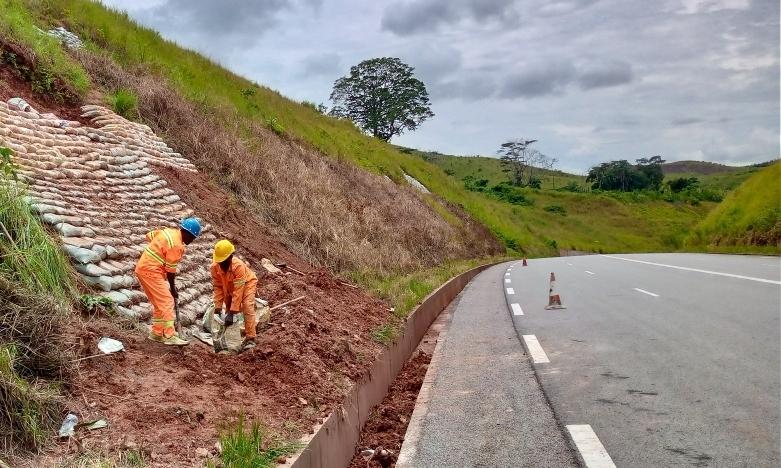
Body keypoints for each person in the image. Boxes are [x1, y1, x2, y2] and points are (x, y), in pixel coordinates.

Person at [135, 217, 202, 345]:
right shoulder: (177, 246)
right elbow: (171, 272)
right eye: (192, 237)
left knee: (159, 303)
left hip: (143, 268)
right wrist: (173, 289)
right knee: (167, 301)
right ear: (187, 233)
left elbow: (149, 236)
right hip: (151, 271)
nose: (191, 241)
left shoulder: (167, 232)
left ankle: (157, 333)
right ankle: (169, 335)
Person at [210, 240, 258, 352]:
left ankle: (251, 338)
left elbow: (238, 291)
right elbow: (218, 287)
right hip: (229, 286)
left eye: (223, 261)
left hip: (247, 284)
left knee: (246, 306)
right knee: (227, 309)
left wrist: (232, 312)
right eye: (219, 261)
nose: (221, 264)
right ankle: (229, 340)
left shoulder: (238, 267)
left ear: (231, 257)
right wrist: (218, 307)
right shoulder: (214, 267)